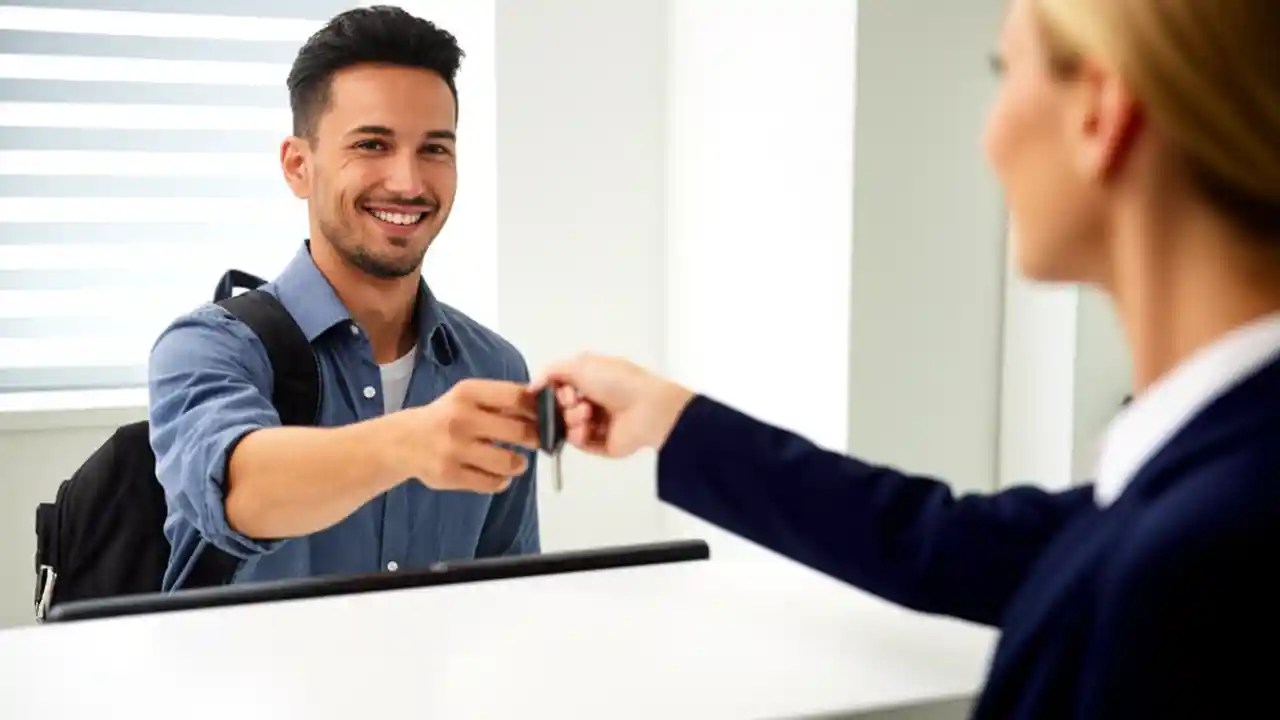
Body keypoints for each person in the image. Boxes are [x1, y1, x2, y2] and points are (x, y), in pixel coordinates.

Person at [534, 0, 1280, 717]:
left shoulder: (1200, 563)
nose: (989, 136)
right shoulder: (1213, 474)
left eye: (1005, 70)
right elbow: (945, 543)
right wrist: (672, 419)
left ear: (1099, 111)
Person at [148, 6, 540, 591]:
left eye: (435, 149)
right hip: (241, 685)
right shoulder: (207, 348)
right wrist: (411, 442)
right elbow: (239, 492)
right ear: (298, 166)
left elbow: (511, 591)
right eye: (373, 144)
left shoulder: (495, 367)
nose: (408, 182)